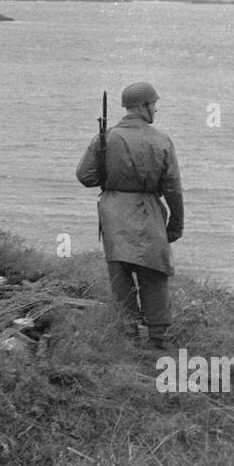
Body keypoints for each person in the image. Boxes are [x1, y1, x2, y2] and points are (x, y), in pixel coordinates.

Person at [76, 82, 184, 349]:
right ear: (142, 106)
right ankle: (157, 338)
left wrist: (108, 173)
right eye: (153, 104)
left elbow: (85, 177)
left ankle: (129, 333)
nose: (156, 109)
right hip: (148, 209)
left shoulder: (105, 138)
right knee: (154, 270)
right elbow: (172, 188)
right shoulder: (161, 140)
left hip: (113, 211)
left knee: (120, 271)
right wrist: (176, 224)